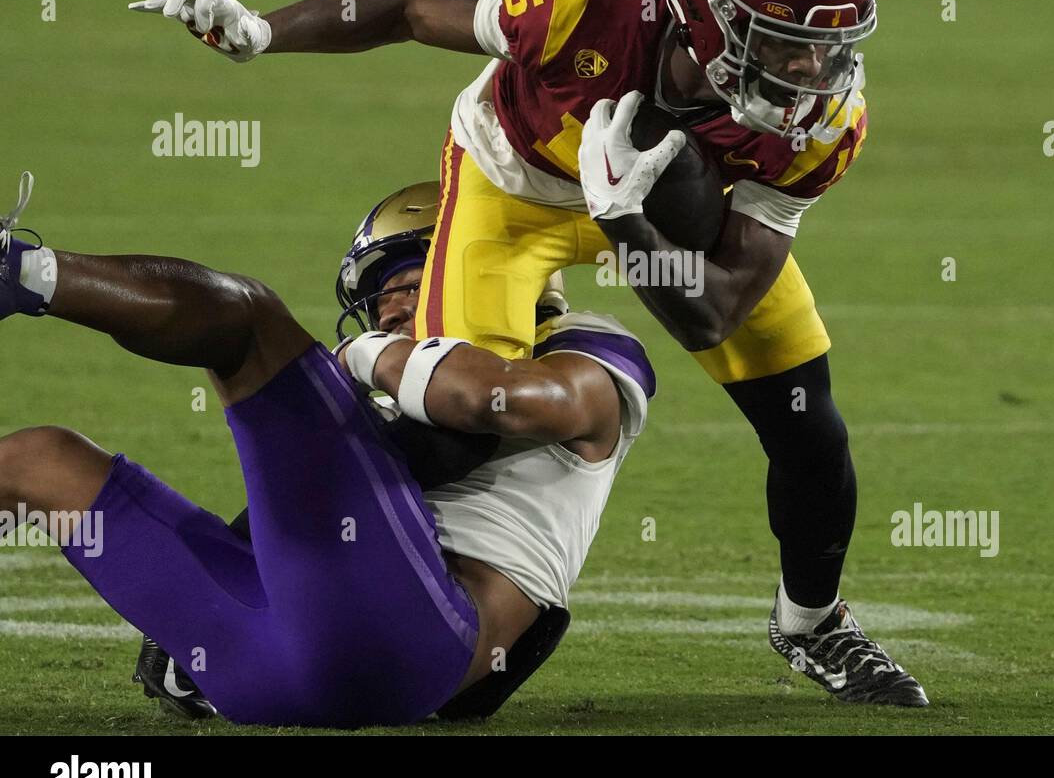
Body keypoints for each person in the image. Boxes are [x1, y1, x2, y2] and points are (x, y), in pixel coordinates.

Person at [129, 0, 927, 705]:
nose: (814, 68)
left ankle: (813, 623)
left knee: (808, 425)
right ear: (709, 12)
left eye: (830, 41)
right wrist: (263, 30)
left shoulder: (824, 121)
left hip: (672, 221)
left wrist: (624, 217)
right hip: (515, 186)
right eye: (785, 38)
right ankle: (227, 576)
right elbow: (409, 11)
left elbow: (713, 312)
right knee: (451, 429)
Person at [0, 174, 654, 726]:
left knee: (253, 322)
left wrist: (366, 353)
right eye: (381, 297)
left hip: (416, 644)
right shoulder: (394, 382)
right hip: (262, 670)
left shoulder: (581, 348)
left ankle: (21, 272)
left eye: (411, 283)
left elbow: (491, 399)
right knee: (36, 460)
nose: (392, 311)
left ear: (482, 272)